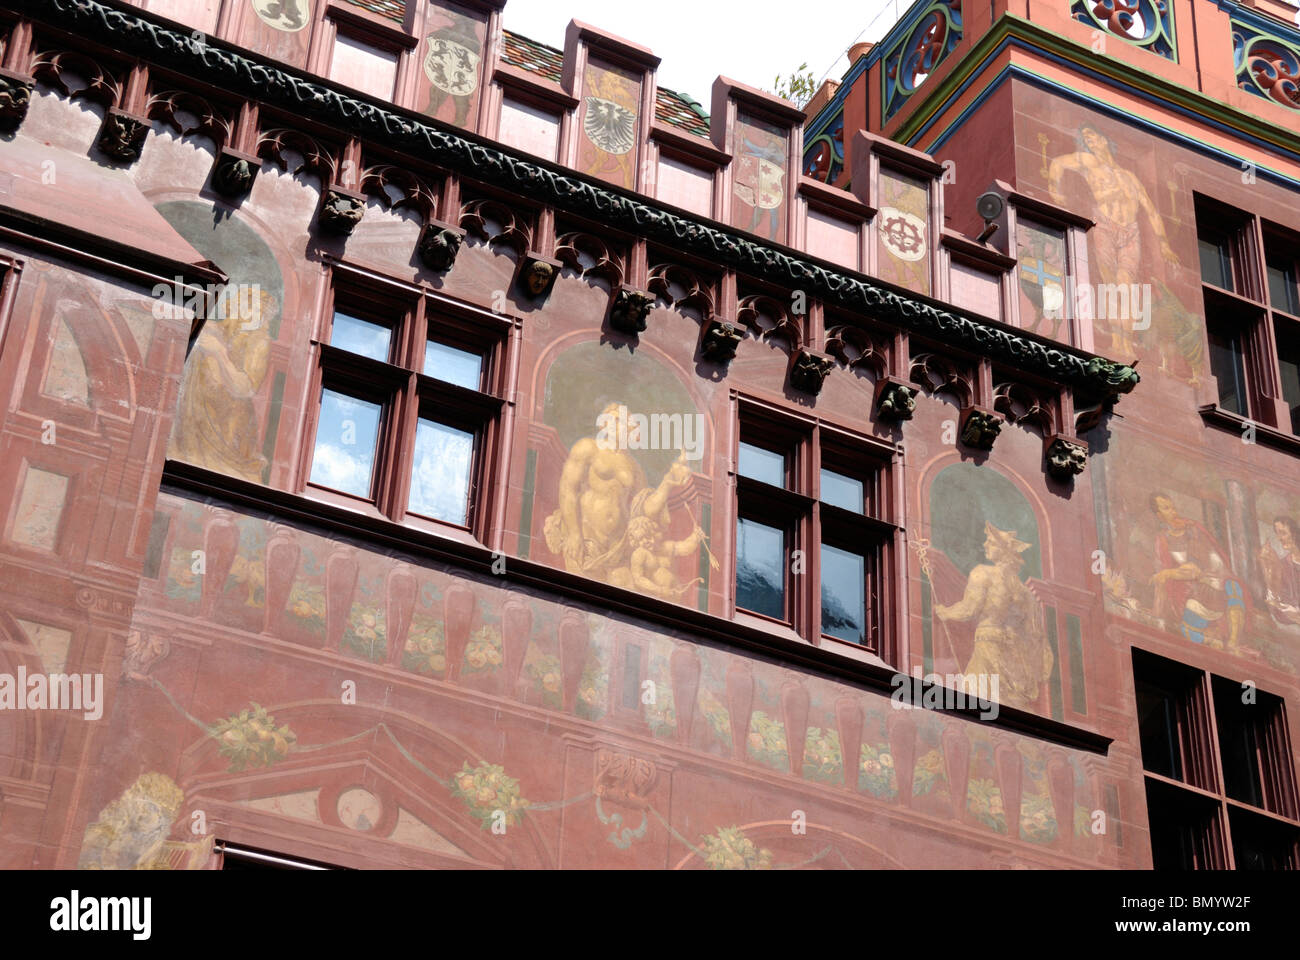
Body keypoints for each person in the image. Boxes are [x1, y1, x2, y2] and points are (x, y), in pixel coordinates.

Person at [934, 523, 1052, 708]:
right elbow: (1034, 633)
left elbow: (969, 609)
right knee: (1008, 701)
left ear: (1003, 550)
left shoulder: (983, 574)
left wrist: (944, 612)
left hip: (988, 643)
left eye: (991, 543)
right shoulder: (1024, 592)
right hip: (1014, 652)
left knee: (975, 698)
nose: (986, 546)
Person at [1147, 492, 1245, 650]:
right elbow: (1164, 577)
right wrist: (1157, 612)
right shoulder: (1163, 540)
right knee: (1188, 628)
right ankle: (1215, 646)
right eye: (1166, 508)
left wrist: (1169, 573)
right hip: (1194, 590)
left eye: (1172, 506)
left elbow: (1205, 563)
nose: (1173, 511)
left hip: (1217, 577)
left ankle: (1234, 642)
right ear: (1159, 515)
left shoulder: (1193, 528)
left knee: (1233, 587)